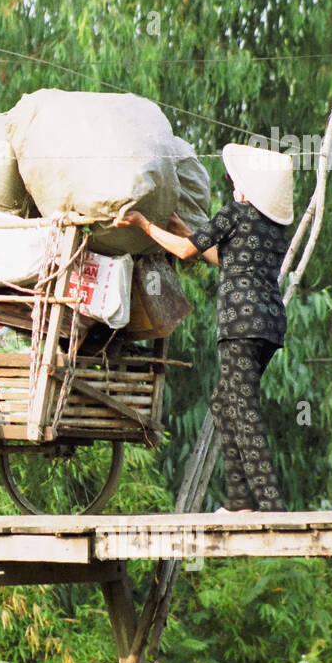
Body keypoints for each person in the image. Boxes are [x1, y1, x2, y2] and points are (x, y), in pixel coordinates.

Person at [114, 144, 294, 513]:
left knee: (242, 408)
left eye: (234, 182)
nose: (232, 187)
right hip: (270, 324)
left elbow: (183, 252)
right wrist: (181, 227)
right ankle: (242, 500)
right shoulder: (273, 228)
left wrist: (143, 224)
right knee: (225, 404)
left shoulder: (235, 214)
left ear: (245, 189)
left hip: (240, 325)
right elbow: (220, 258)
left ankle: (270, 504)